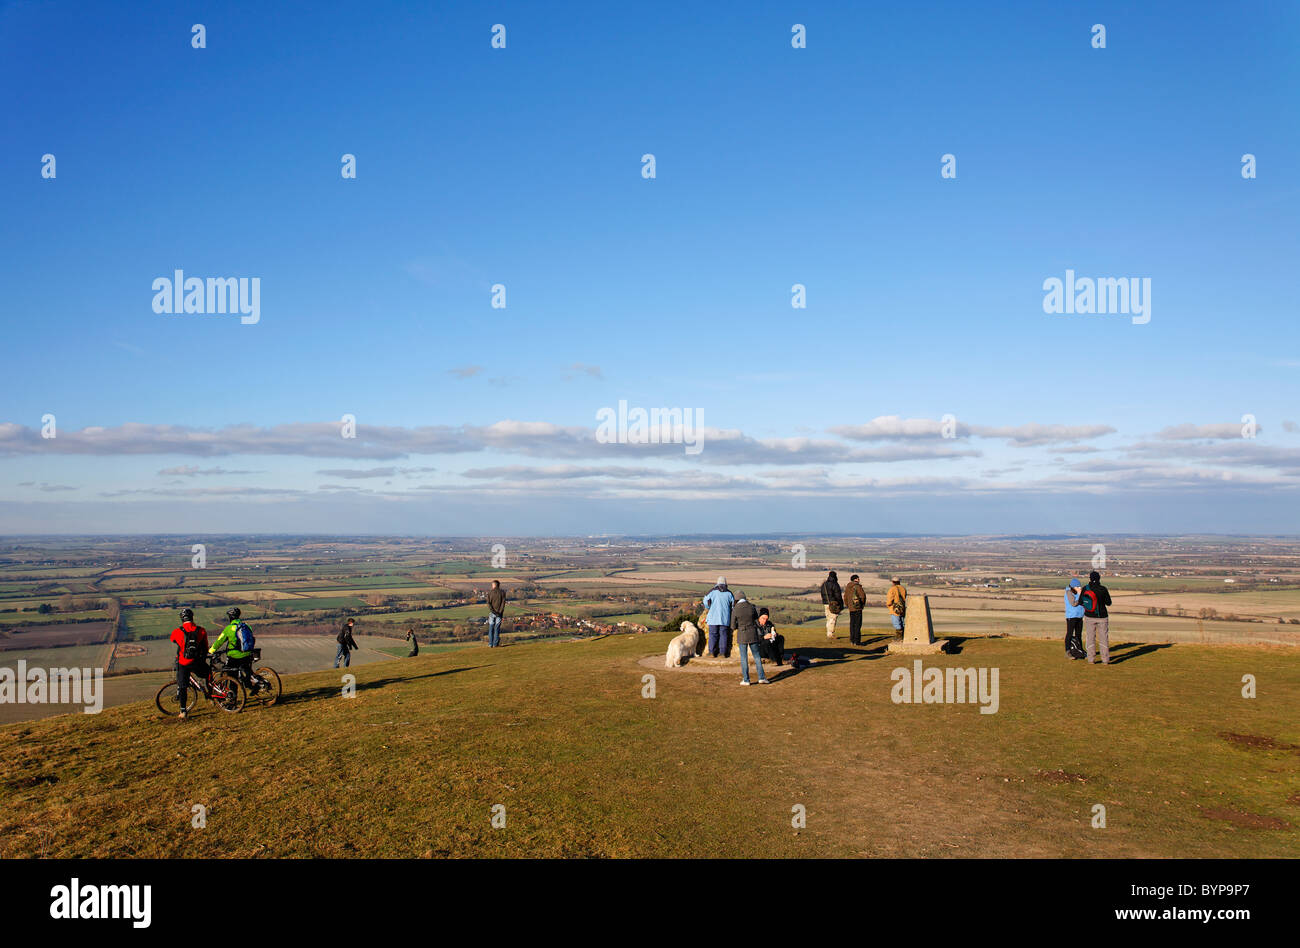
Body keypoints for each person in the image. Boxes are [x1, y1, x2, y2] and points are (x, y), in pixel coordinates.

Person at [168, 608, 209, 720]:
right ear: (192, 617)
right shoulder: (201, 630)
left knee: (182, 686)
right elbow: (205, 647)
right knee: (208, 673)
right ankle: (210, 694)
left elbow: (172, 639)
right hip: (197, 661)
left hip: (183, 662)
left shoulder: (177, 631)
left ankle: (183, 711)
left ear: (182, 618)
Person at [209, 607, 256, 691]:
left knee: (232, 675)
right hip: (247, 653)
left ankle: (233, 696)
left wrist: (211, 650)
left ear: (230, 617)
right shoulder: (246, 626)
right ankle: (251, 683)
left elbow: (219, 641)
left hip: (235, 656)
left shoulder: (229, 628)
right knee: (246, 670)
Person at [730, 591, 769, 685]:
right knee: (756, 656)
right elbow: (756, 620)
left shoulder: (735, 609)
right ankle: (761, 678)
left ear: (736, 599)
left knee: (744, 658)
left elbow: (732, 626)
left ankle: (746, 680)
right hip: (752, 634)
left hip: (742, 634)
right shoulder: (751, 606)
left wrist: (738, 626)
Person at [1079, 570, 1113, 665]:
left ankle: (1091, 659)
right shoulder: (1103, 589)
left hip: (1089, 616)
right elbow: (1109, 603)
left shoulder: (1086, 588)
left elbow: (1081, 602)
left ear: (1090, 579)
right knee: (1104, 638)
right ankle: (1105, 660)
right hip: (1102, 617)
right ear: (1099, 579)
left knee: (1090, 638)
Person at [702, 576, 735, 658]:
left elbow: (705, 601)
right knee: (723, 635)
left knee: (713, 635)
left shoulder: (712, 592)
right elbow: (733, 605)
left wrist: (709, 607)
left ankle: (712, 652)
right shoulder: (729, 593)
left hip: (713, 618)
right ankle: (722, 653)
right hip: (725, 618)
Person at [1063, 579, 1085, 660]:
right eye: (1077, 586)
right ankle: (1068, 651)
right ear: (1073, 587)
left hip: (1080, 616)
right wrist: (1080, 594)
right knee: (1069, 634)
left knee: (1078, 635)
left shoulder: (1078, 592)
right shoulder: (1069, 592)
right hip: (1071, 616)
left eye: (1080, 586)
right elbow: (1074, 603)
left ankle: (1080, 650)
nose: (1079, 588)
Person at [843, 574, 867, 645]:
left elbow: (845, 598)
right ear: (855, 579)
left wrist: (849, 606)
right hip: (858, 608)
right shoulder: (858, 586)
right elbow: (863, 596)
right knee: (858, 625)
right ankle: (857, 641)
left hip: (851, 609)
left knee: (852, 624)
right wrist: (861, 605)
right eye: (858, 578)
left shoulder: (848, 587)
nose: (859, 580)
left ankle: (852, 640)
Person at [820, 570, 843, 638]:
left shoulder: (824, 584)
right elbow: (838, 595)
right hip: (833, 604)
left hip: (825, 603)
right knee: (833, 618)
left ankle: (828, 633)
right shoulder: (835, 584)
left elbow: (822, 594)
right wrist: (840, 604)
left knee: (828, 619)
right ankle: (830, 634)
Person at [486, 580, 506, 647]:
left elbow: (488, 603)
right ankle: (495, 644)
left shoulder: (490, 592)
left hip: (492, 613)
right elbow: (503, 603)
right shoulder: (502, 592)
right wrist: (499, 612)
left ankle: (490, 644)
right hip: (499, 613)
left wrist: (493, 611)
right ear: (498, 585)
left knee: (491, 628)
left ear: (494, 585)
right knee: (497, 628)